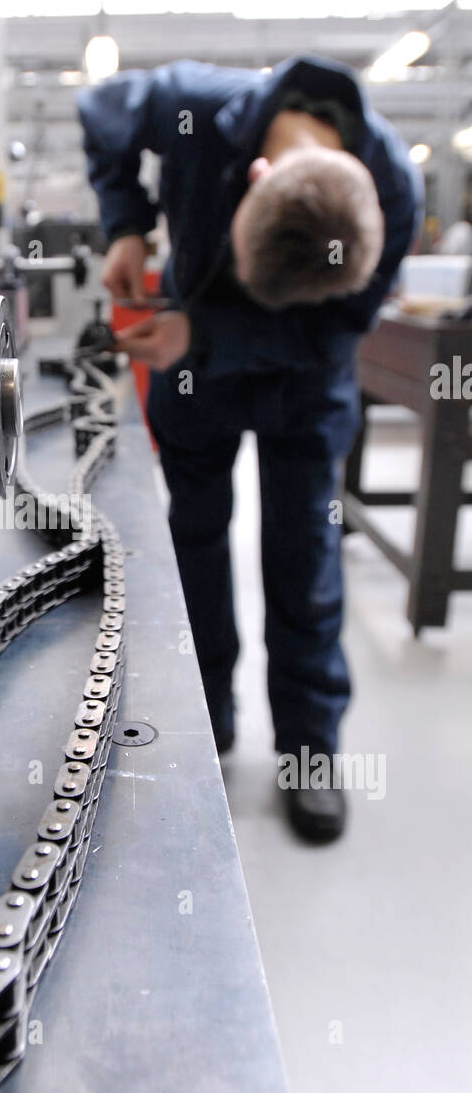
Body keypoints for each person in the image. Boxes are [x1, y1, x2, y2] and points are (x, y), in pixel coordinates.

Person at [78, 55, 422, 843]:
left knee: (304, 555)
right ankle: (211, 717)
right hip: (194, 371)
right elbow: (101, 110)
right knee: (196, 538)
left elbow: (336, 327)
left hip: (307, 380)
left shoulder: (394, 188)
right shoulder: (192, 106)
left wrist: (209, 330)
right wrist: (126, 223)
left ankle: (310, 751)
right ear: (256, 175)